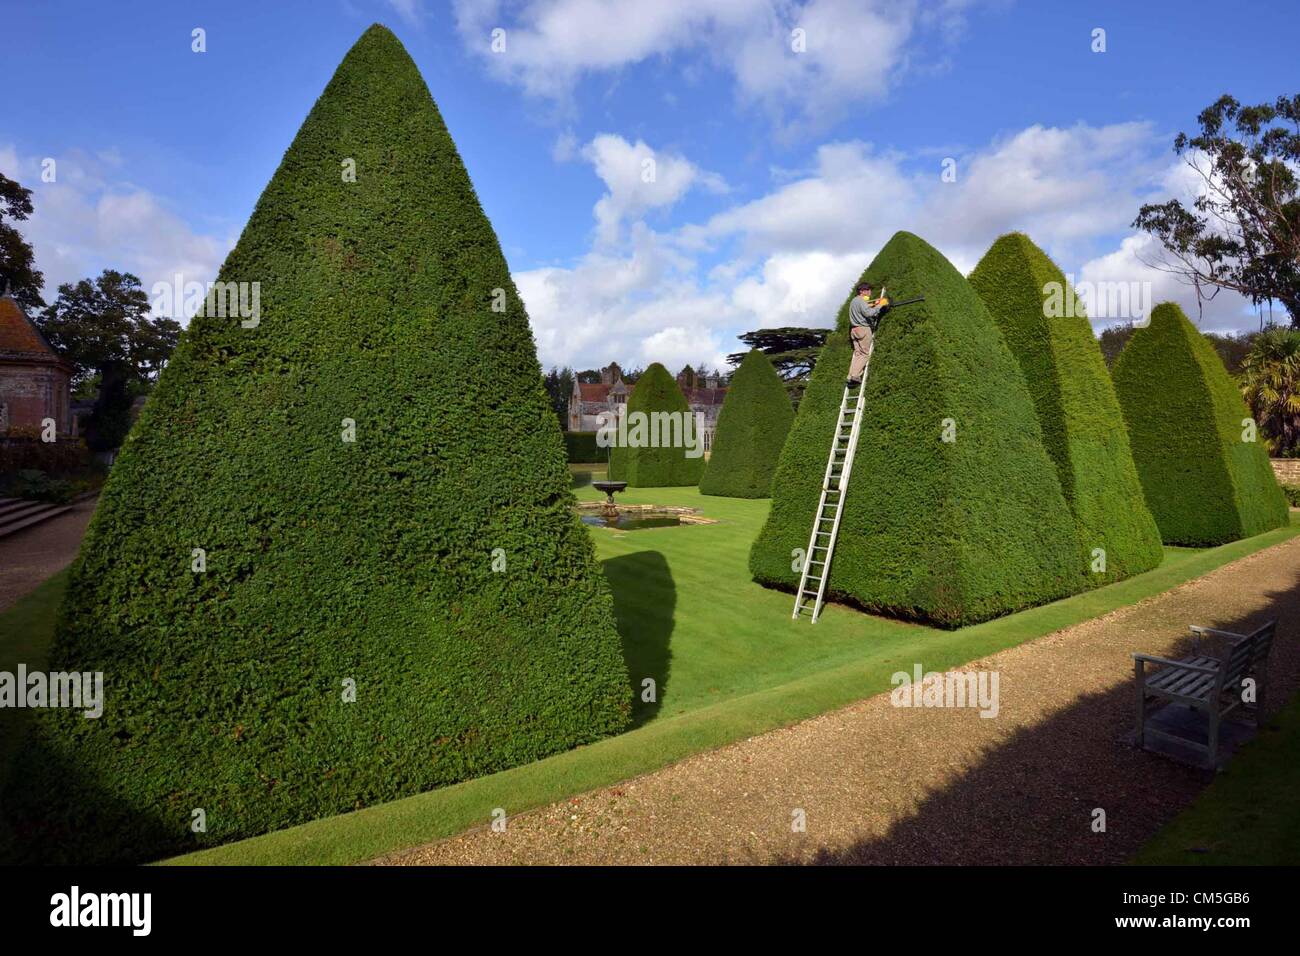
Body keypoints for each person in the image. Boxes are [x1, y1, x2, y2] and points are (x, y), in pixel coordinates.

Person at [846, 280, 888, 387]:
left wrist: (873, 304)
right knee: (864, 354)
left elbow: (863, 310)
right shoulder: (861, 301)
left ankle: (850, 376)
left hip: (854, 330)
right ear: (862, 291)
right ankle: (855, 375)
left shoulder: (854, 301)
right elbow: (869, 313)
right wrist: (880, 305)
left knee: (858, 354)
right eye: (868, 290)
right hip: (863, 330)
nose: (870, 292)